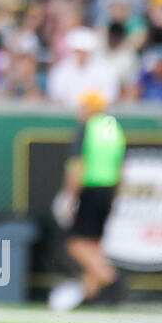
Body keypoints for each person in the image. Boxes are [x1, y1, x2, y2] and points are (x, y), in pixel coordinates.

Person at [49, 92, 126, 311]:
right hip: (109, 190)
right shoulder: (114, 129)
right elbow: (121, 167)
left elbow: (77, 165)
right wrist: (116, 196)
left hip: (90, 189)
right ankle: (89, 295)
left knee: (76, 244)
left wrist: (69, 196)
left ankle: (112, 278)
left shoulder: (87, 128)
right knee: (93, 244)